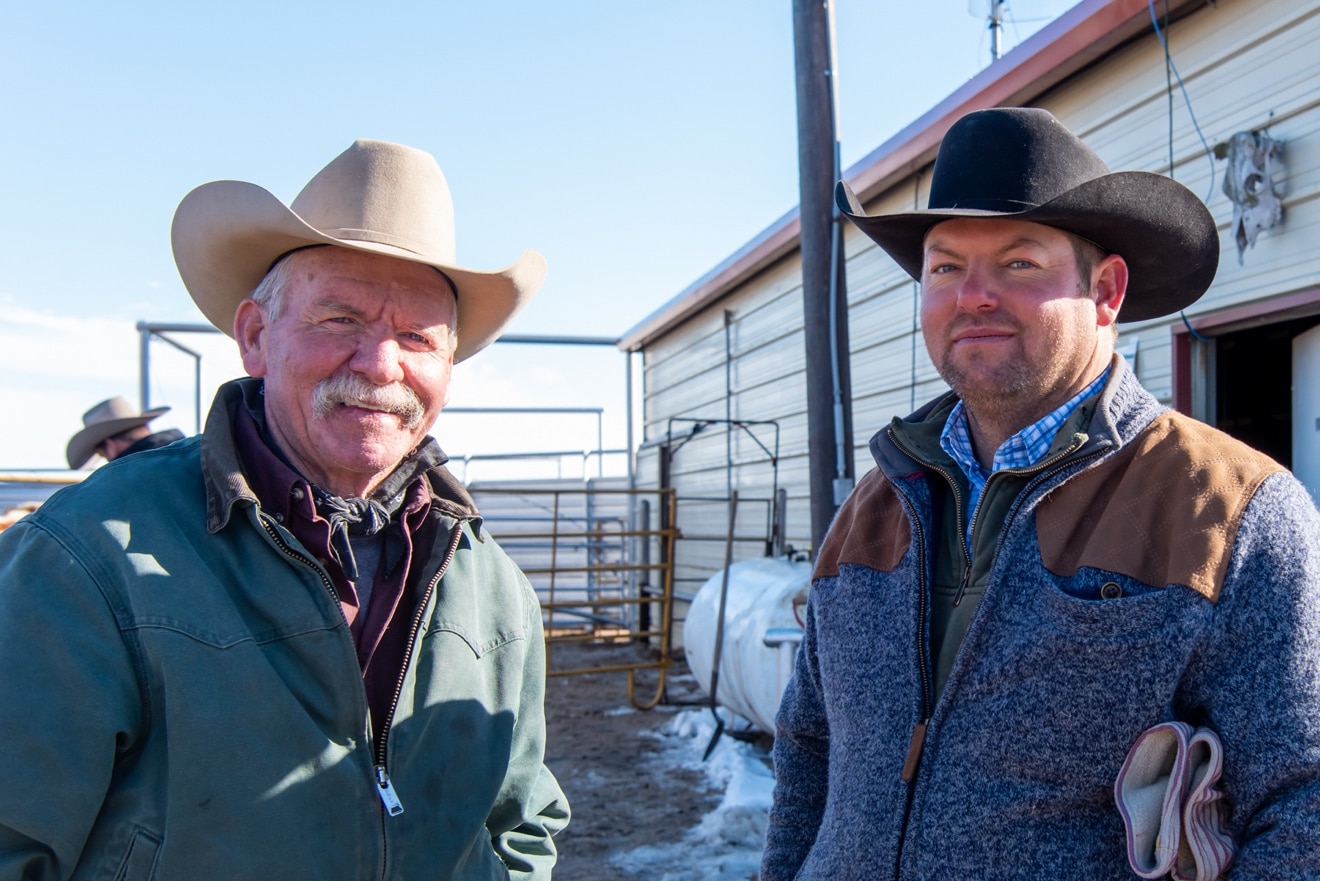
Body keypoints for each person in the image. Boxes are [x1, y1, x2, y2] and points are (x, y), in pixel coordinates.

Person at [761, 107, 1320, 880]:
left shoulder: (1233, 511)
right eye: (945, 267)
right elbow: (809, 749)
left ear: (1107, 290)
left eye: (1019, 263)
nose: (973, 296)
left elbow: (1303, 807)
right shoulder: (874, 505)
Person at [0, 139, 568, 879]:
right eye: (340, 320)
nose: (380, 363)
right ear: (256, 337)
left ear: (447, 366)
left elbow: (520, 826)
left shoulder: (490, 584)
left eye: (417, 337)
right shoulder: (86, 556)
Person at [65, 396, 185, 468]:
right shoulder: (193, 451)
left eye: (103, 455)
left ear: (109, 446)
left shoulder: (127, 478)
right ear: (145, 426)